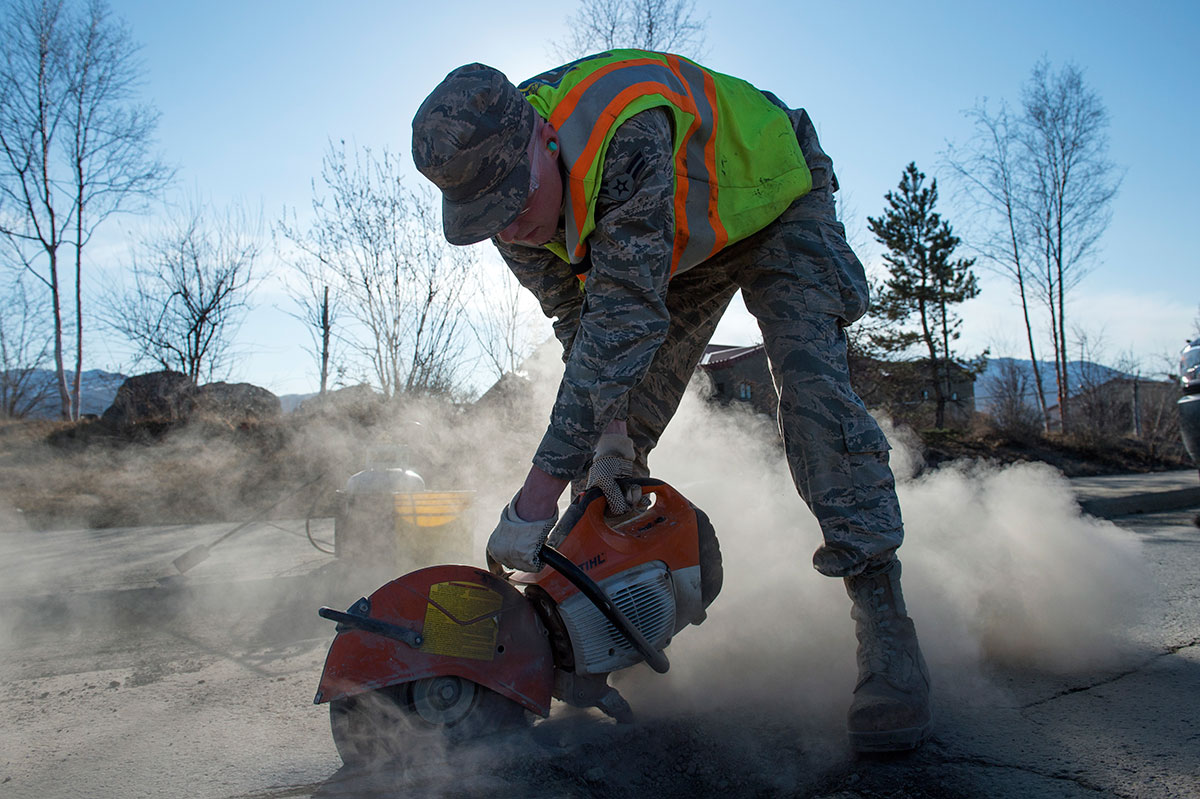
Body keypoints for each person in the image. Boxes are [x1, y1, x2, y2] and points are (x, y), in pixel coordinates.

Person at [411, 49, 931, 752]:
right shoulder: (503, 200)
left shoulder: (623, 130)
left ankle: (886, 628)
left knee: (813, 402)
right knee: (605, 455)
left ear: (542, 136)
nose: (508, 228)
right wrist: (613, 444)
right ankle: (594, 641)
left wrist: (532, 500)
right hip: (676, 241)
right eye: (486, 217)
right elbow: (583, 325)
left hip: (774, 197)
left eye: (513, 201)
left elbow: (623, 316)